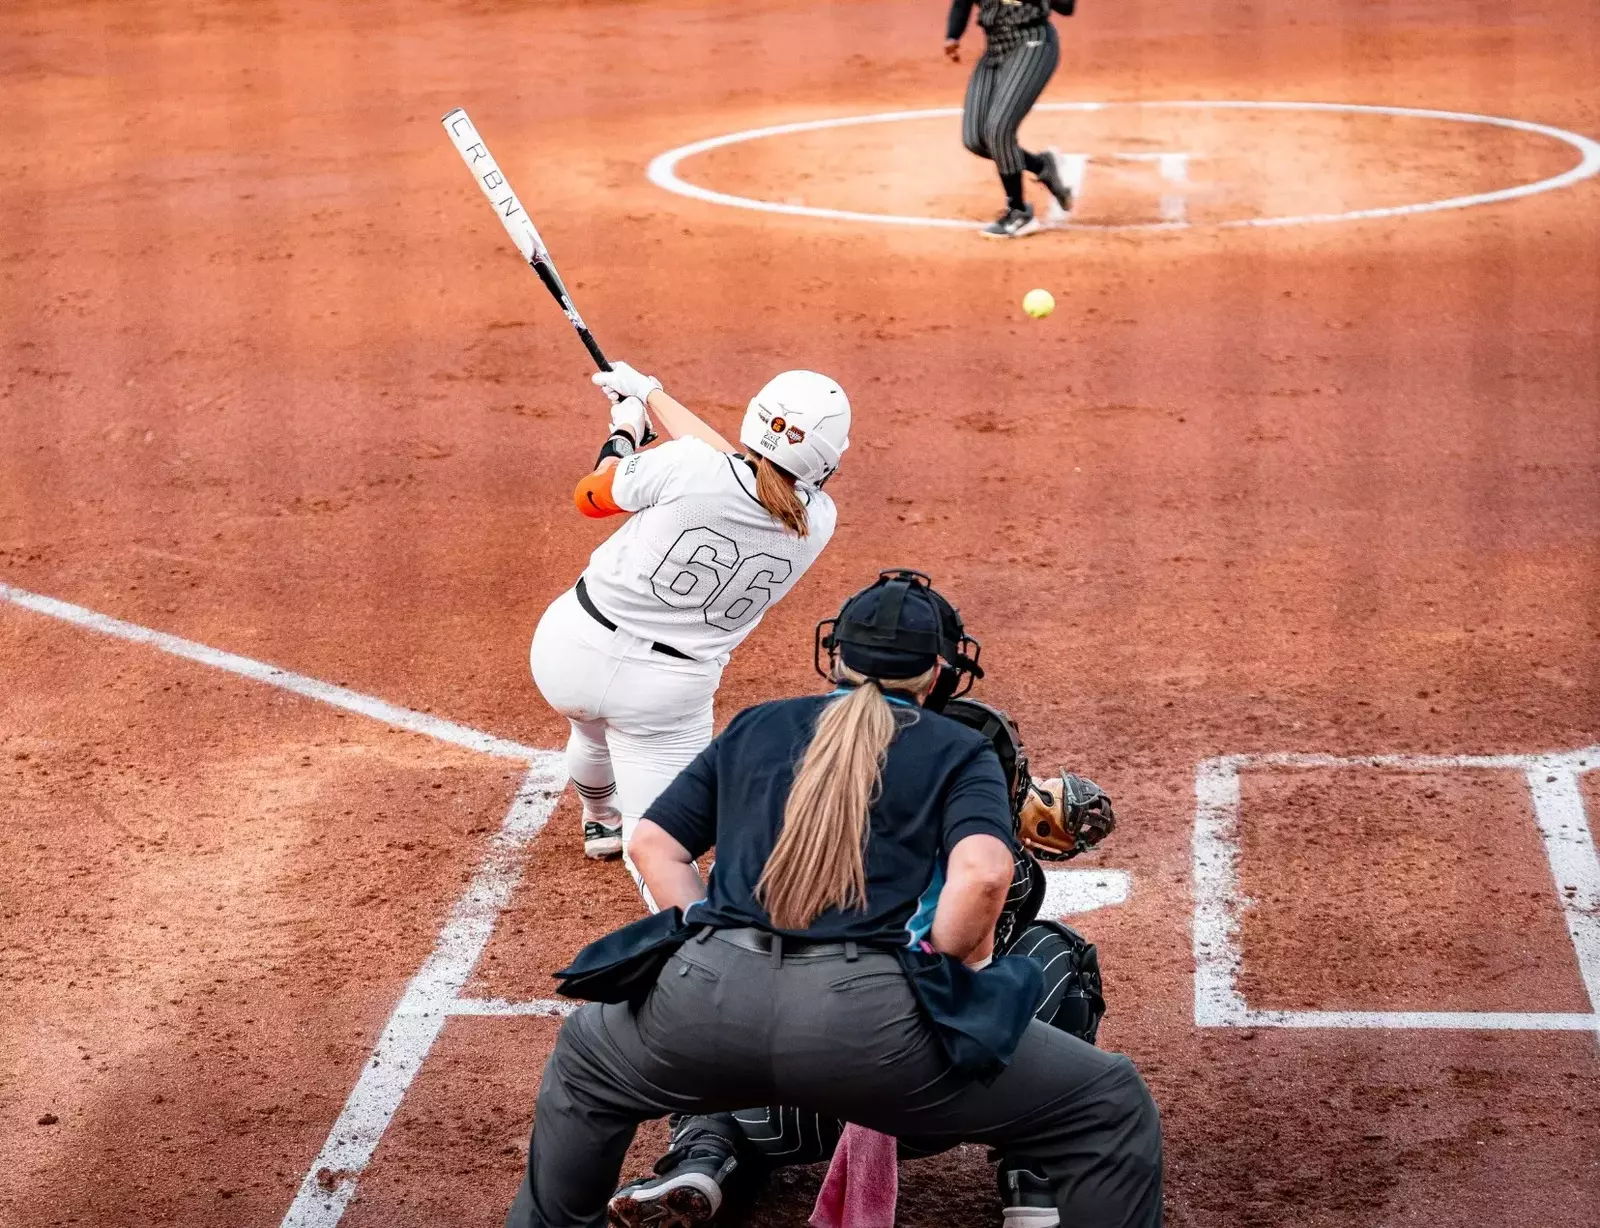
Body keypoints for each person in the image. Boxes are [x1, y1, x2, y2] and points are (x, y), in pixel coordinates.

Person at [505, 570, 1163, 1228]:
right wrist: (958, 971)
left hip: (705, 1007)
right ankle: (1031, 1185)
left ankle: (697, 1156)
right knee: (1108, 1102)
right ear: (939, 673)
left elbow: (652, 845)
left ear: (836, 657)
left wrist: (707, 940)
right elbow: (987, 874)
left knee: (584, 1067)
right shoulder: (958, 748)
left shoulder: (758, 724)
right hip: (870, 1031)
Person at [609, 693, 1120, 1228]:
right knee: (1055, 951)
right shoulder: (1003, 870)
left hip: (789, 1112)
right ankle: (1035, 1179)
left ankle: (705, 1158)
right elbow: (976, 909)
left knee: (719, 988)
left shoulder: (790, 840)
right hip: (936, 1103)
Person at [527, 359, 850, 888]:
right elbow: (745, 472)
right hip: (666, 697)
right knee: (660, 848)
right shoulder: (818, 521)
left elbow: (591, 496)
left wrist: (626, 432)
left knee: (589, 727)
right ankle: (701, 952)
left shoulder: (685, 465)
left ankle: (600, 819)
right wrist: (650, 393)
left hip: (569, 653)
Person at [945, 0, 1079, 238]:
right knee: (975, 139)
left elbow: (1067, 6)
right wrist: (953, 35)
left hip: (1033, 41)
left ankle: (1019, 212)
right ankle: (1042, 166)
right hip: (995, 48)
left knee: (999, 128)